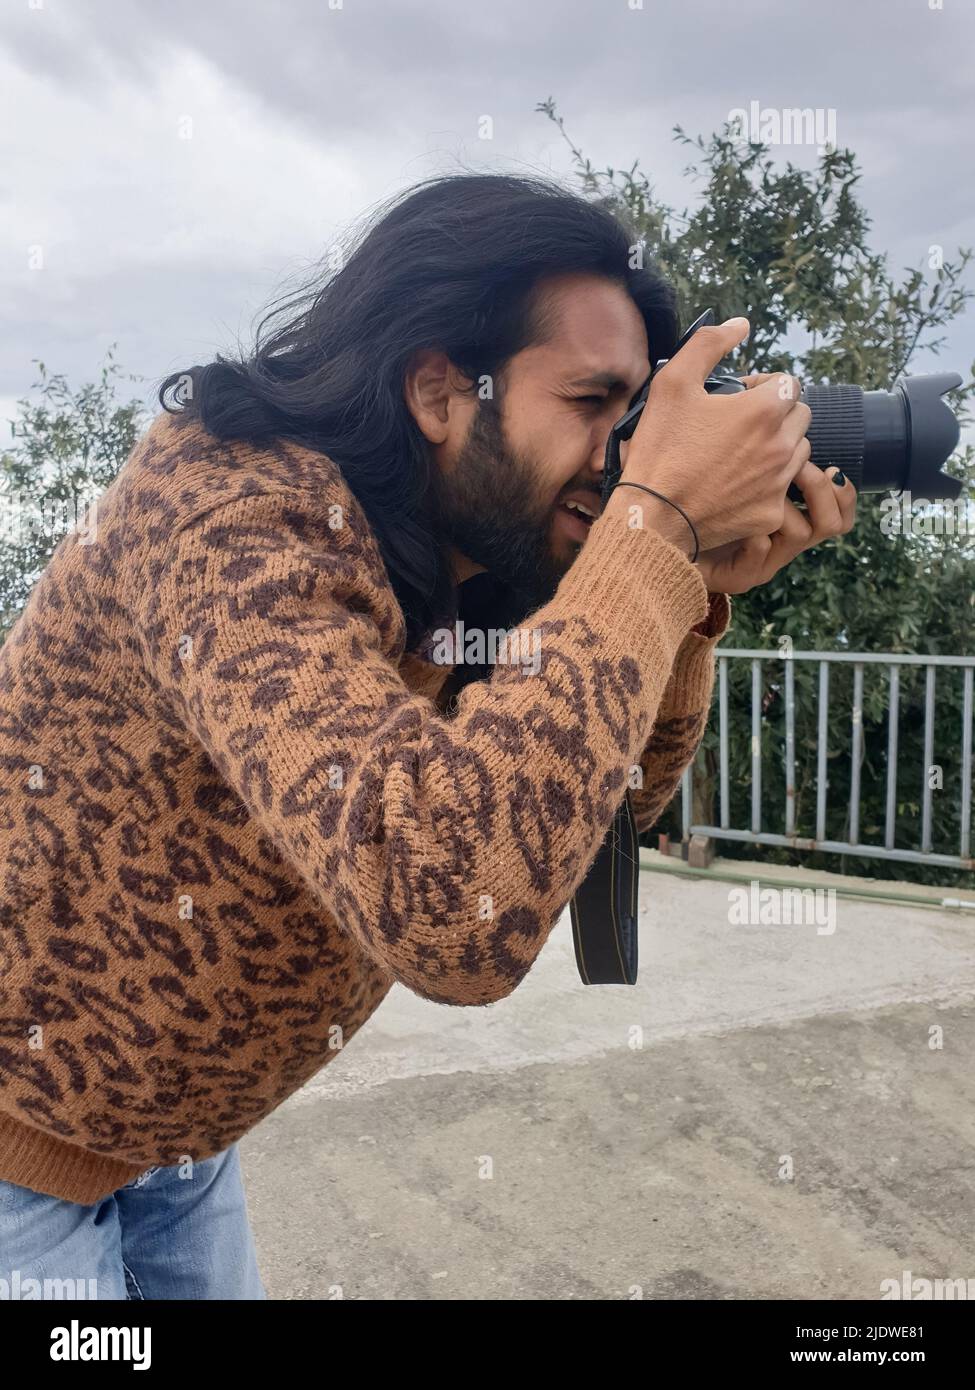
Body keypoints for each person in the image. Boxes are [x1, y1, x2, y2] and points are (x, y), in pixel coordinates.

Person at [0, 173, 855, 1299]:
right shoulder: (230, 507)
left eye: (640, 417)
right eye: (595, 403)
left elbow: (603, 813)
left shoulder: (473, 561)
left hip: (177, 1144)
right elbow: (452, 901)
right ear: (442, 389)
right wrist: (654, 528)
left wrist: (679, 596)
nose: (624, 454)